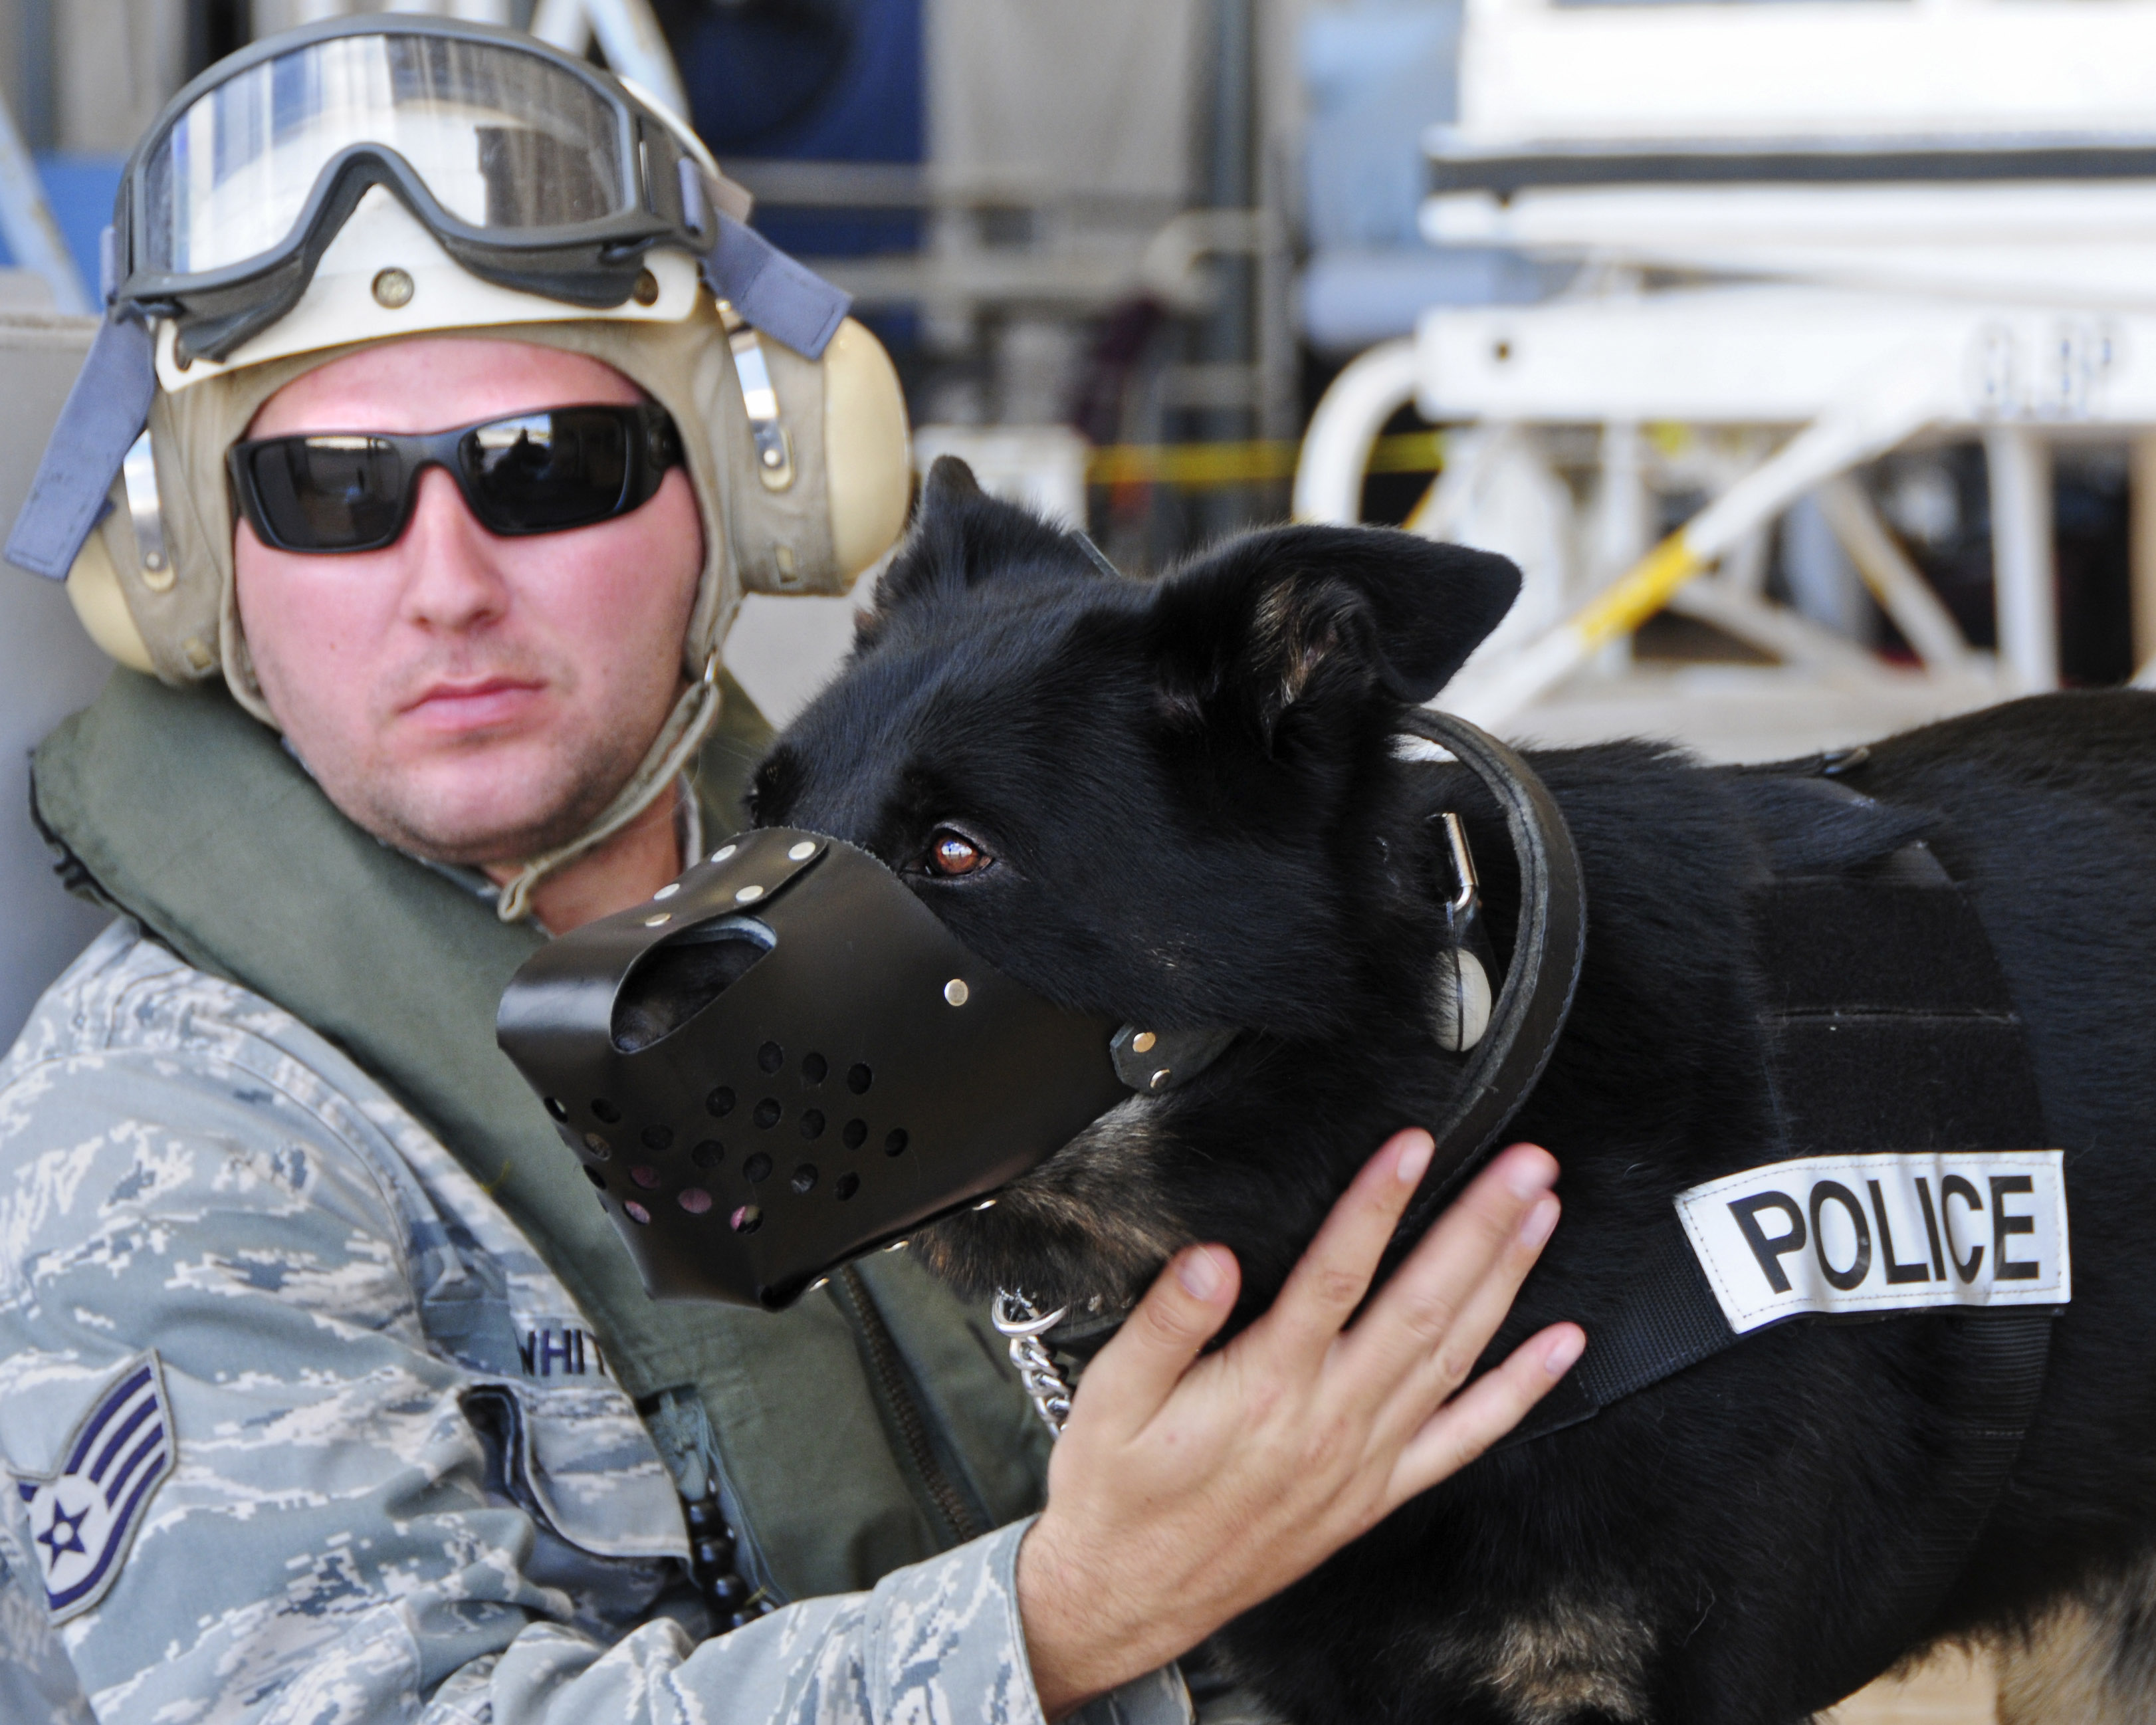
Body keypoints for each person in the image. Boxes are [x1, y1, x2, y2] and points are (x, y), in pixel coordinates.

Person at [0, 19, 1583, 1724]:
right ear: (189, 557)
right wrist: (1061, 1618)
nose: (444, 581)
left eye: (547, 468)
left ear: (751, 497)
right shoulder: (173, 1137)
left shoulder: (990, 936)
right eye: (328, 491)